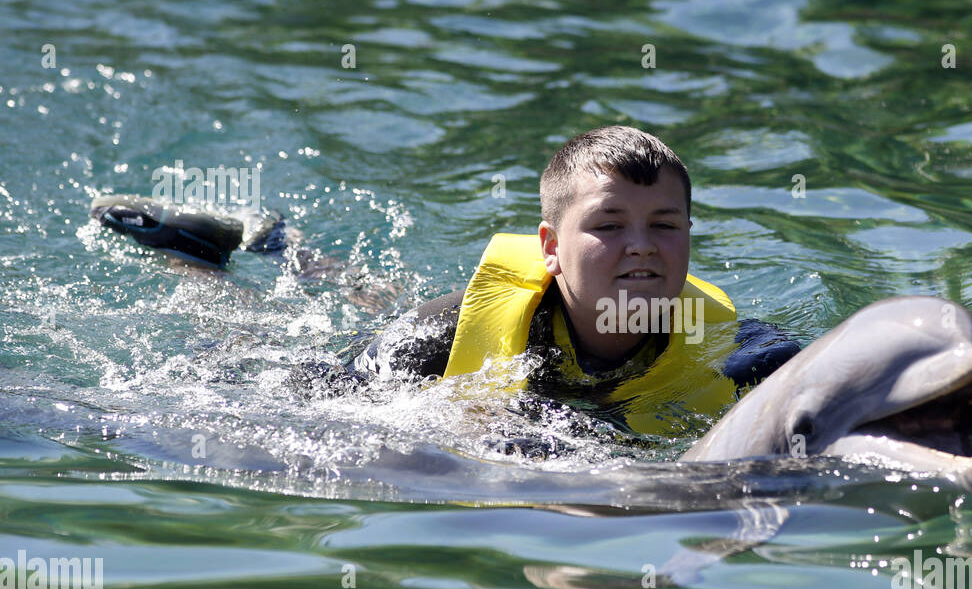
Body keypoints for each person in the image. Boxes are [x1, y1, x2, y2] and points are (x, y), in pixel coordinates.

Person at [91, 126, 801, 438]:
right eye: (609, 225)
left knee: (376, 290)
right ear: (550, 247)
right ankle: (202, 254)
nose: (641, 248)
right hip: (399, 340)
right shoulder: (439, 335)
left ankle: (283, 243)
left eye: (666, 225)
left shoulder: (738, 350)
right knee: (242, 339)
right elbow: (303, 407)